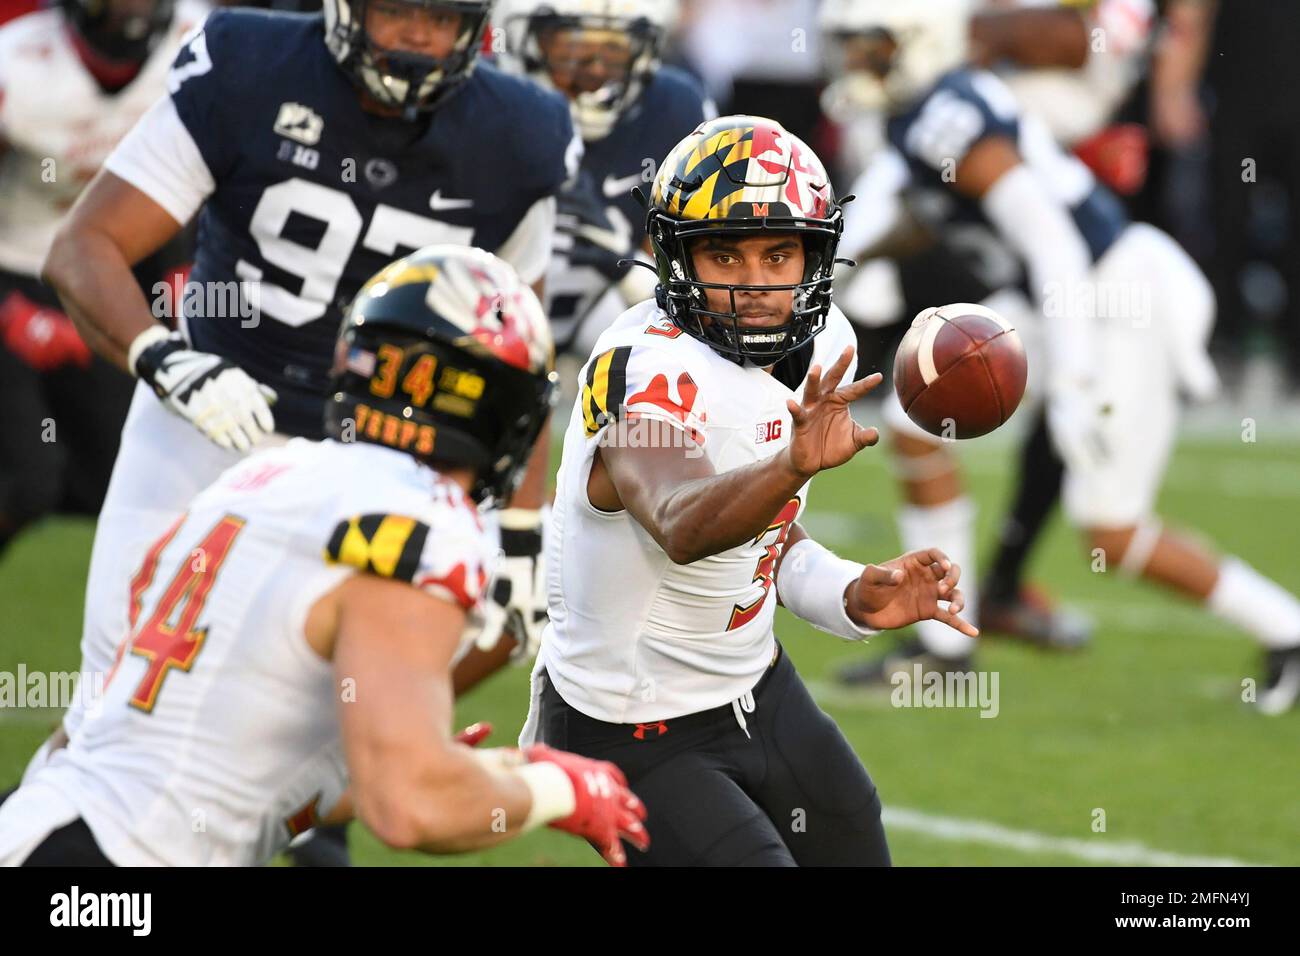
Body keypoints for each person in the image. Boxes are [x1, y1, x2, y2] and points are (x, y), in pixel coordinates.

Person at [36, 0, 580, 825]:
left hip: (384, 463)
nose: (421, 40)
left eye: (445, 19)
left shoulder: (519, 134)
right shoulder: (249, 64)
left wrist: (524, 530)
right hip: (212, 425)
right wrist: (166, 358)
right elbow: (85, 245)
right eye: (400, 12)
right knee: (115, 717)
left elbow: (519, 352)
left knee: (318, 741)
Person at [0, 246, 649, 867]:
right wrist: (561, 790)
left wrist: (455, 770)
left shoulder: (263, 478)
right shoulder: (425, 522)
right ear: (507, 410)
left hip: (47, 828)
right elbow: (407, 807)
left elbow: (240, 772)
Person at [521, 115, 980, 866]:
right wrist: (791, 467)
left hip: (756, 690)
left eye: (779, 254)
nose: (757, 284)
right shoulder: (642, 369)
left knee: (856, 842)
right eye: (724, 254)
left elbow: (766, 532)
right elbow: (680, 521)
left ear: (817, 256)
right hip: (628, 722)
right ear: (675, 256)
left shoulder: (826, 341)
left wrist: (849, 594)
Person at [818, 0, 1300, 714]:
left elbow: (1054, 244)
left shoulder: (950, 113)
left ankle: (1288, 628)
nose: (855, 61)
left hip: (1109, 293)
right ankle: (947, 647)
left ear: (917, 42)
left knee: (1109, 525)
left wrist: (1070, 383)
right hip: (1058, 298)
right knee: (917, 418)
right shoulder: (922, 110)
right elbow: (887, 217)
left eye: (869, 45)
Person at [0, 0, 207, 557]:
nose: (130, 11)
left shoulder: (201, 45)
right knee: (25, 478)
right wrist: (10, 312)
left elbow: (214, 171)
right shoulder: (15, 67)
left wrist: (189, 277)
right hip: (18, 271)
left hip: (115, 272)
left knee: (123, 473)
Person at [498, 0, 713, 358]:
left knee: (681, 351)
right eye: (573, 49)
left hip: (607, 317)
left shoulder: (674, 107)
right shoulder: (487, 102)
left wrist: (627, 267)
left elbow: (699, 291)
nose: (595, 70)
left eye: (614, 50)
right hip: (487, 313)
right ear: (531, 44)